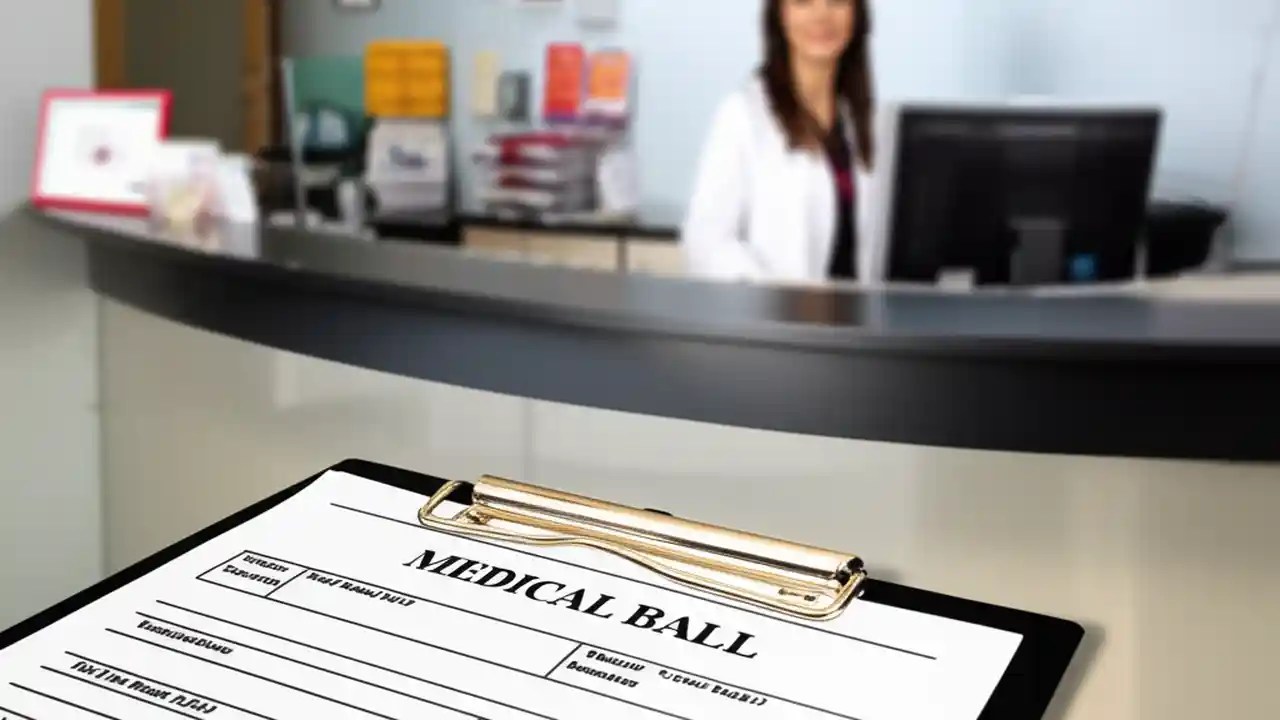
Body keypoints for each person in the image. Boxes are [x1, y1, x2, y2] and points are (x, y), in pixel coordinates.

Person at [682, 0, 885, 283]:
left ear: (857, 14)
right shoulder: (743, 114)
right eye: (803, 2)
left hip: (857, 309)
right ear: (780, 14)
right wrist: (779, 296)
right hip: (774, 308)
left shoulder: (863, 121)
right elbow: (706, 242)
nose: (821, 15)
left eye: (837, 1)